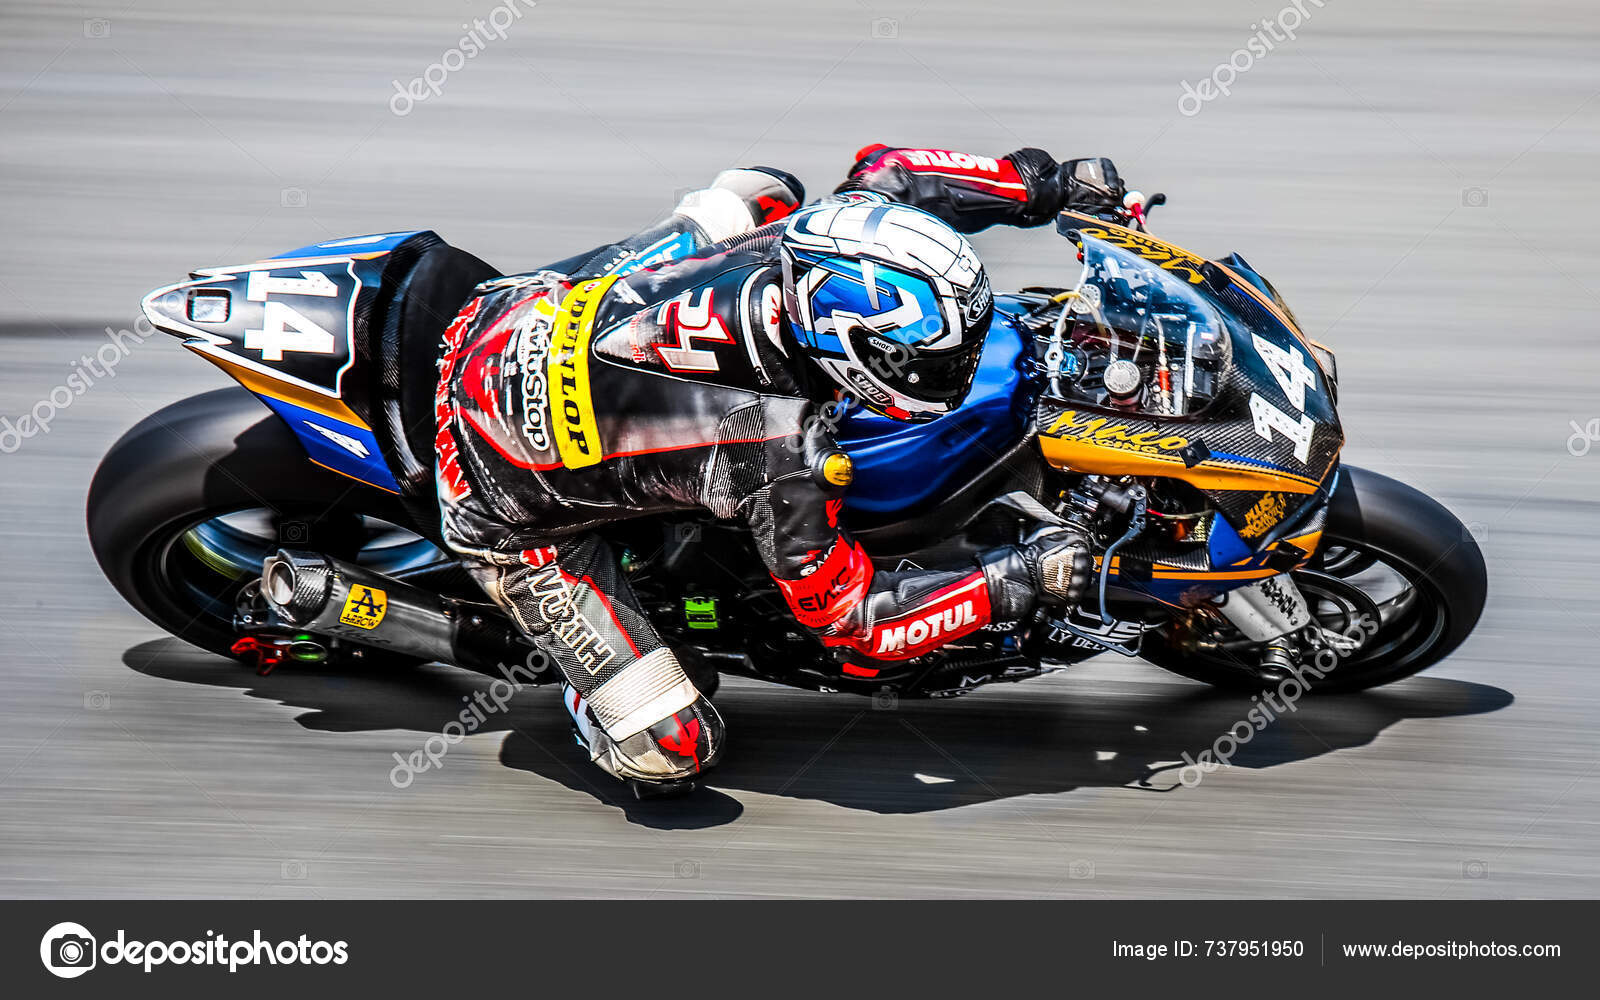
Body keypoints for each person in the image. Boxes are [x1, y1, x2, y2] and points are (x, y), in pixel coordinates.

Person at [434, 145, 1130, 790]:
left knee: (763, 192)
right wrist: (1012, 578)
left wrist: (1045, 185)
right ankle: (585, 683)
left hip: (517, 307)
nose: (962, 370)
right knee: (672, 748)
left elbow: (896, 173)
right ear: (854, 350)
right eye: (939, 362)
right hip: (493, 494)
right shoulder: (776, 453)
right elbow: (854, 623)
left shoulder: (815, 240)